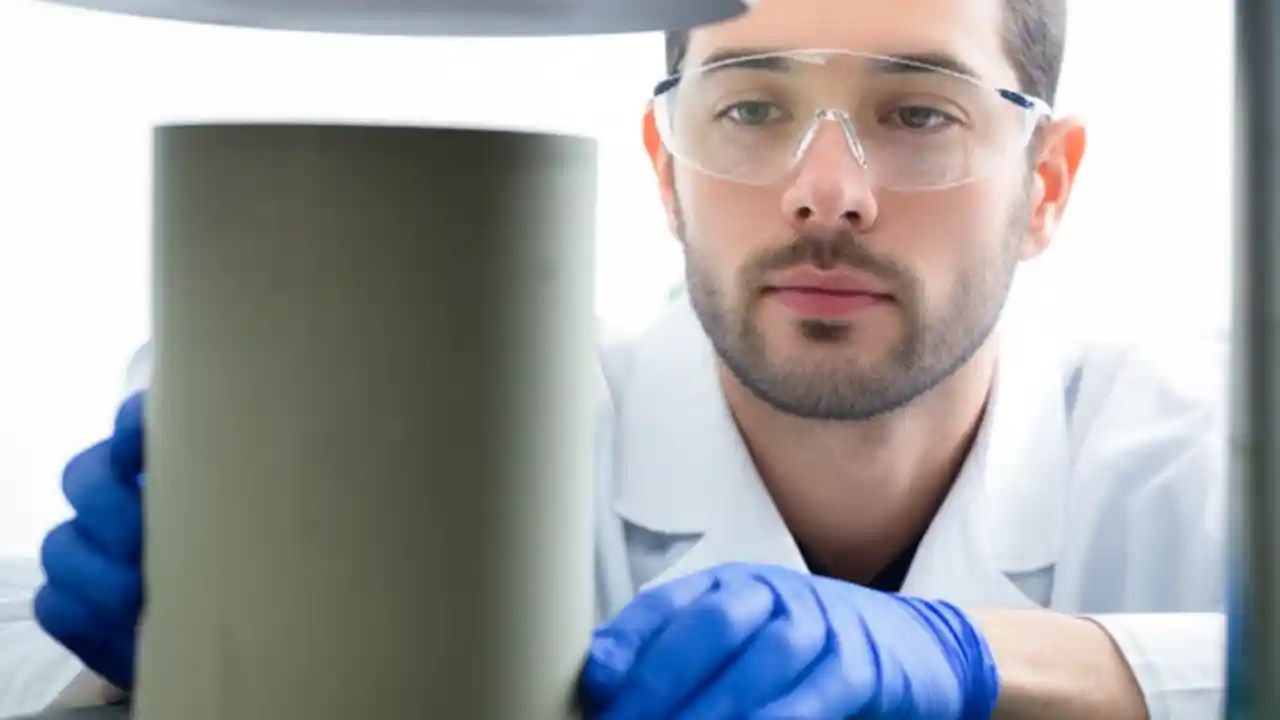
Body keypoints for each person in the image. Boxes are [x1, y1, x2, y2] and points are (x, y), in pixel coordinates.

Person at [0, 0, 1229, 716]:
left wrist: (973, 665)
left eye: (916, 113)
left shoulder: (1198, 461)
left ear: (1046, 187)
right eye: (749, 107)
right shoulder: (454, 428)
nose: (824, 194)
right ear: (664, 165)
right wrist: (148, 659)